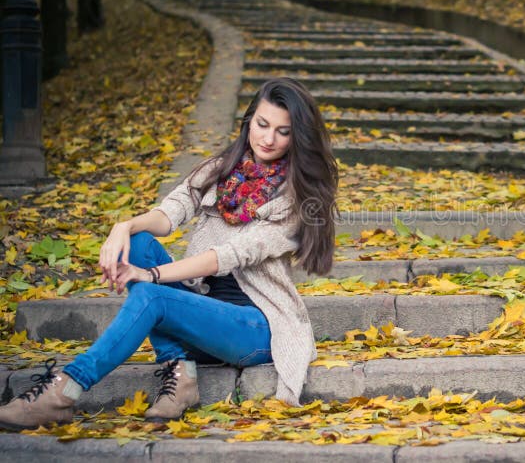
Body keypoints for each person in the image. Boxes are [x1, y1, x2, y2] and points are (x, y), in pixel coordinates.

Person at [0, 77, 338, 431]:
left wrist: (153, 276)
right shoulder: (222, 170)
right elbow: (170, 212)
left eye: (283, 132)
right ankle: (180, 370)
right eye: (262, 124)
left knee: (151, 295)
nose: (268, 139)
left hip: (254, 330)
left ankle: (64, 391)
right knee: (142, 242)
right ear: (249, 121)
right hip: (201, 312)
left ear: (296, 136)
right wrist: (124, 227)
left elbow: (229, 254)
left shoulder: (297, 200)